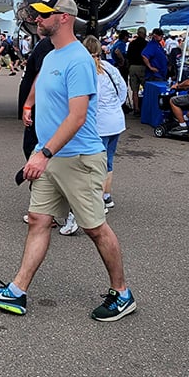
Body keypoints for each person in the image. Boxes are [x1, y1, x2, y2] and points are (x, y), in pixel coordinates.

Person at [0, 0, 135, 322]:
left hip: (76, 158)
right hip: (47, 156)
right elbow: (39, 81)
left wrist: (44, 152)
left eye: (44, 15)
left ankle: (122, 294)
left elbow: (77, 117)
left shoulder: (78, 60)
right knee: (38, 221)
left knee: (95, 228)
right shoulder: (51, 55)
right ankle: (17, 292)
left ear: (64, 18)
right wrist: (29, 104)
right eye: (37, 15)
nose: (37, 19)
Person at [60, 35, 128, 235]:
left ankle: (92, 204)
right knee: (108, 161)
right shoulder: (110, 69)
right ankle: (106, 195)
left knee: (88, 165)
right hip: (116, 121)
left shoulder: (83, 70)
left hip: (97, 125)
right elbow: (122, 90)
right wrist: (115, 108)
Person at [126, 26, 148, 116]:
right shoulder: (146, 44)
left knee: (134, 90)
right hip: (142, 67)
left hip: (132, 67)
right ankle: (145, 108)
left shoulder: (132, 44)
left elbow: (128, 56)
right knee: (146, 88)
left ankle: (136, 108)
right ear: (145, 34)